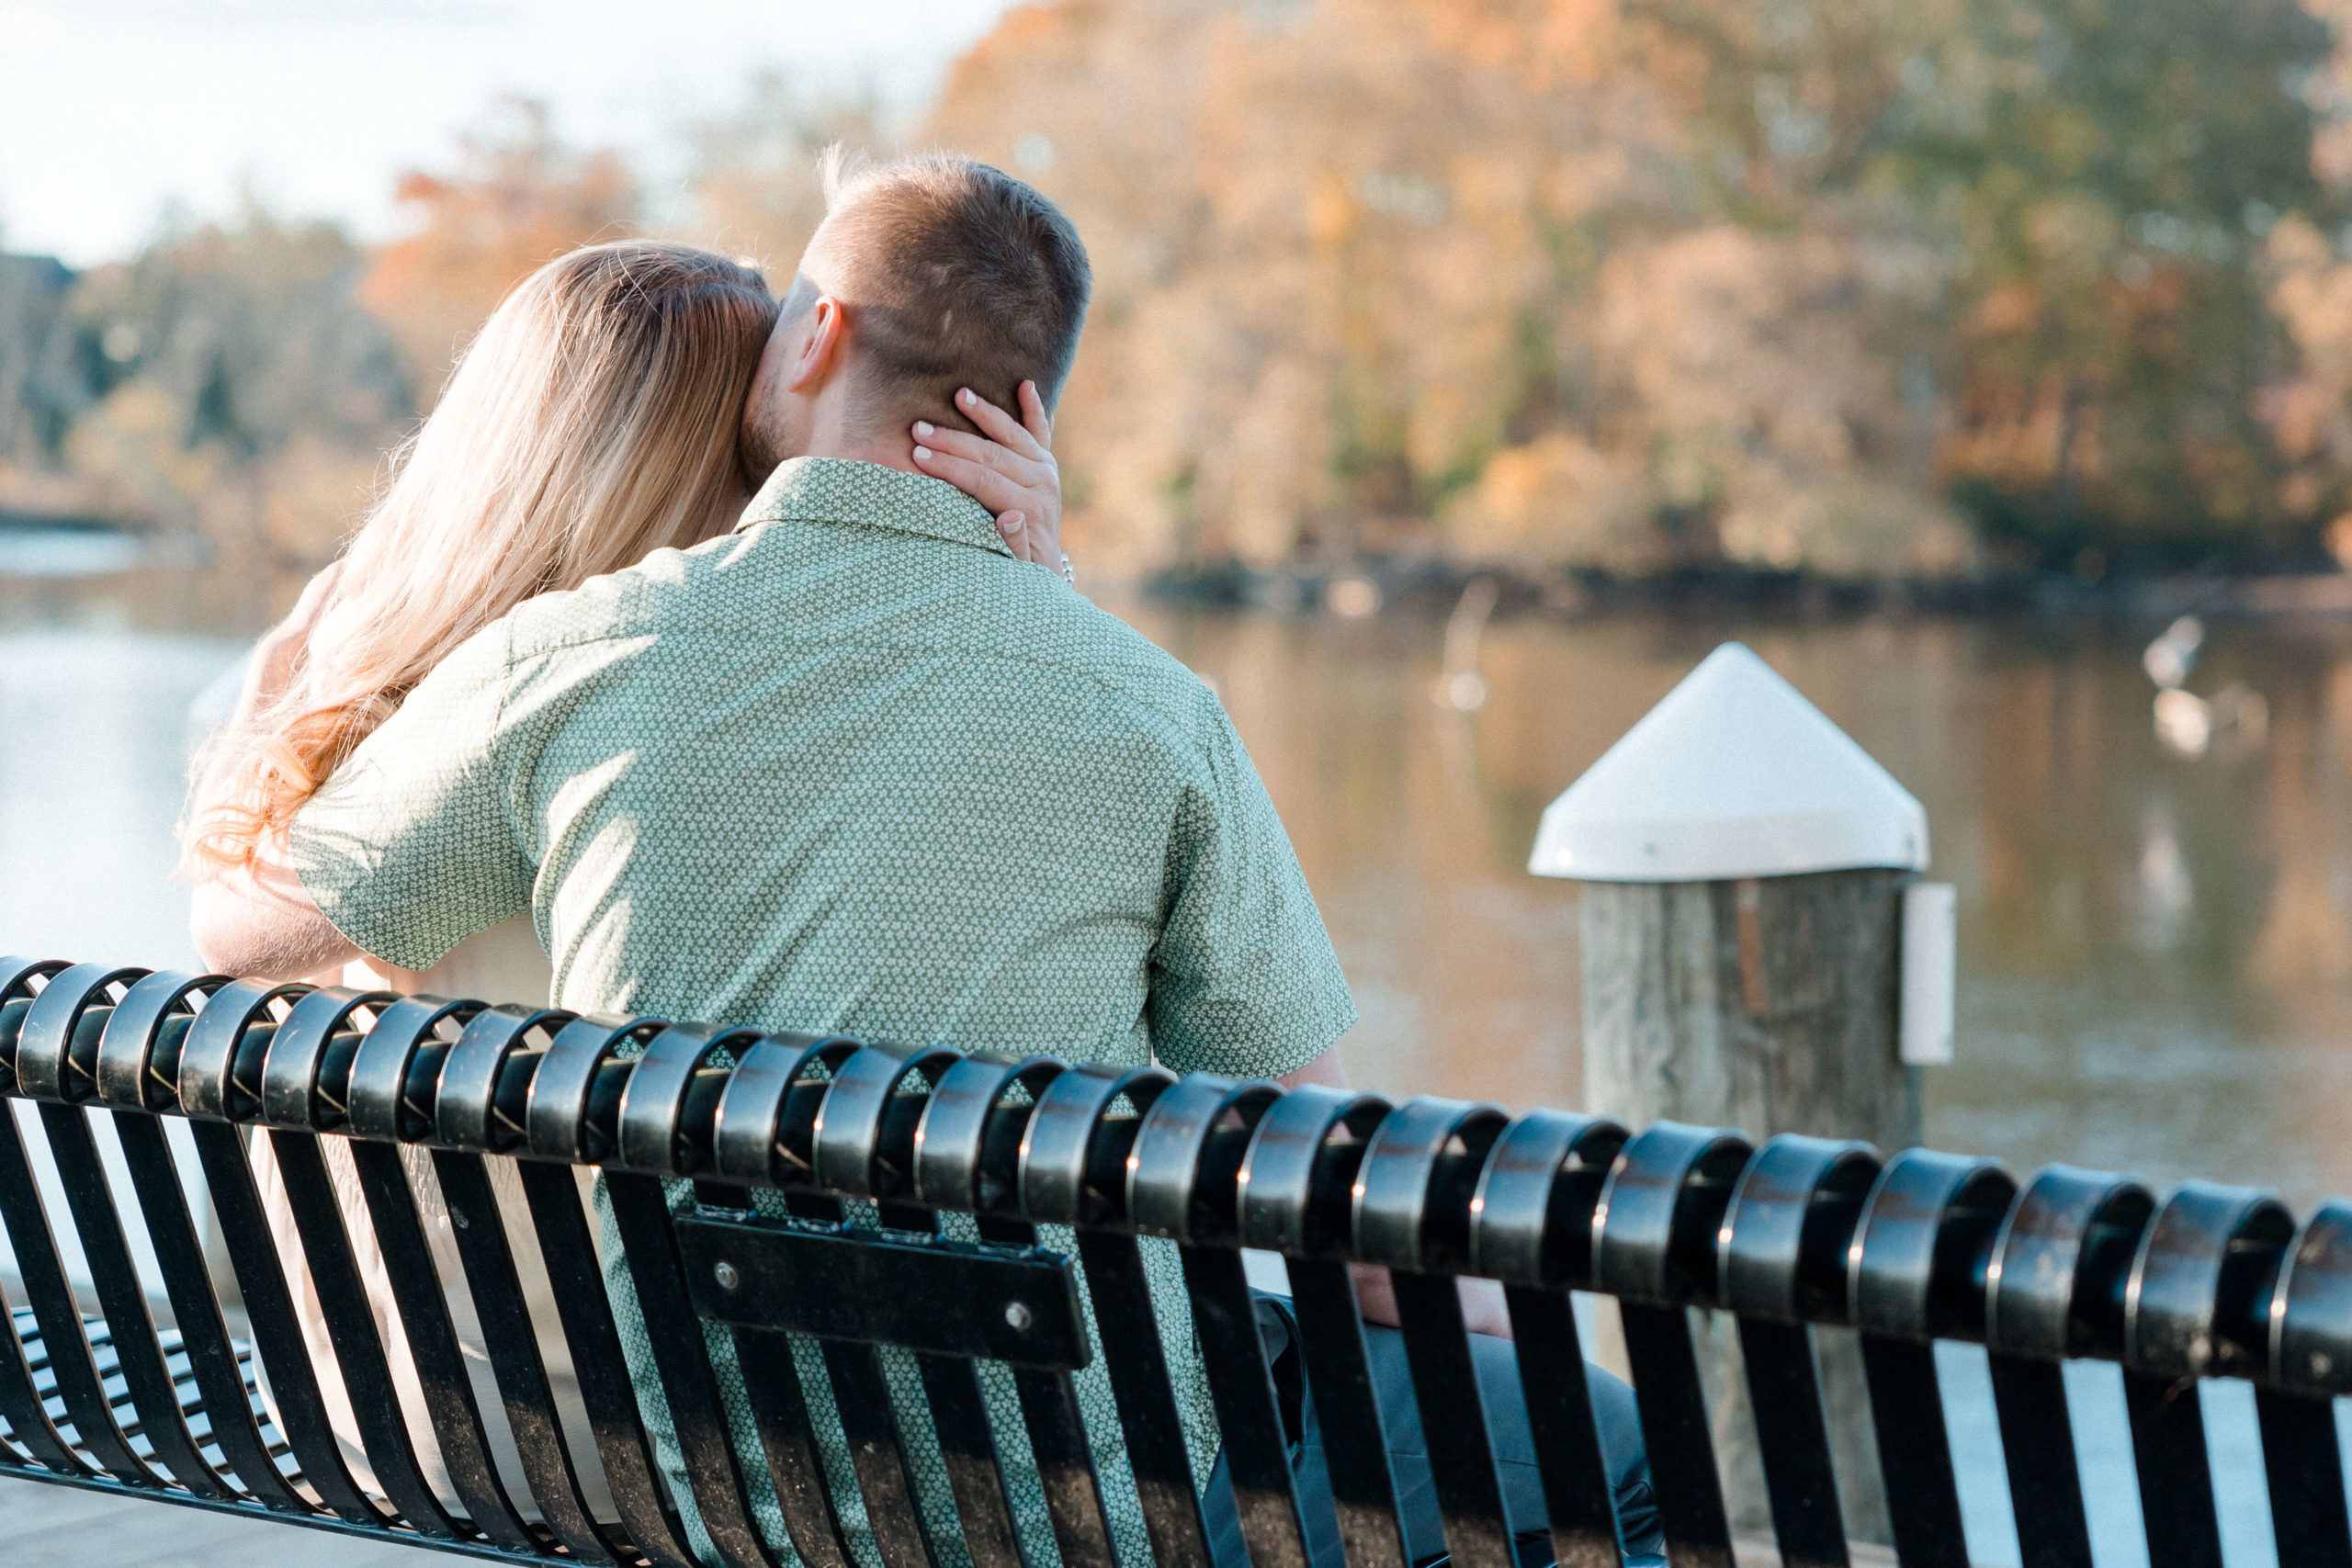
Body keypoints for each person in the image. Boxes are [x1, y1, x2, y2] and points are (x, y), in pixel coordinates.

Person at [190, 154, 1659, 1566]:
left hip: (705, 1461)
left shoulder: (572, 659)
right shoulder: (1148, 707)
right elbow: (1318, 1175)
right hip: (1085, 1486)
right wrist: (1052, 611)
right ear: (1027, 400)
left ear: (819, 336)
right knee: (1617, 1457)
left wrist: (283, 694)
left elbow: (247, 936)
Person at [182, 237, 1064, 1512]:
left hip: (393, 1402)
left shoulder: (389, 699)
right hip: (691, 1439)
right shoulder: (694, 718)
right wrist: (1027, 585)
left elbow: (228, 927)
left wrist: (277, 700)